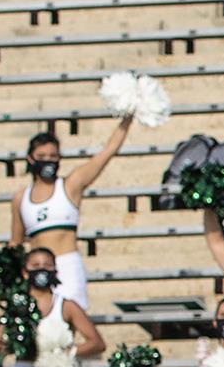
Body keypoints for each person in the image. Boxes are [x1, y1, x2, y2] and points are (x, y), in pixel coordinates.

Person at [7, 114, 139, 312]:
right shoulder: (21, 197)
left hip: (66, 265)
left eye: (53, 156)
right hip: (37, 268)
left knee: (73, 318)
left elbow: (108, 151)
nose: (47, 161)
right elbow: (15, 243)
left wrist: (127, 118)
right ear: (30, 159)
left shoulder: (70, 186)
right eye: (41, 157)